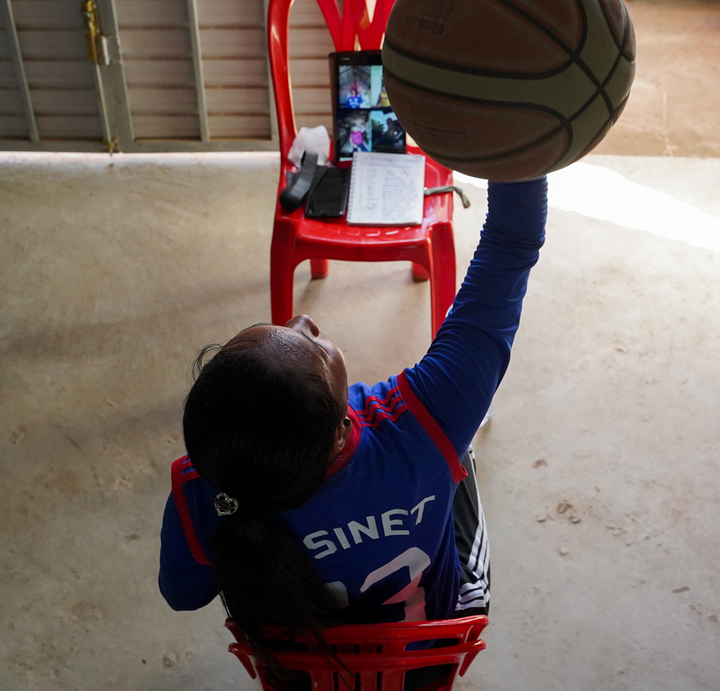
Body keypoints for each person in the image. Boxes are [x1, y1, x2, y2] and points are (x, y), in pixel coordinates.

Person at [159, 177, 548, 667]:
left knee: (444, 451)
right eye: (312, 348)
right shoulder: (423, 423)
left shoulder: (199, 491)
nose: (304, 320)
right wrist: (516, 151)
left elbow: (183, 595)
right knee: (456, 451)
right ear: (340, 428)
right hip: (426, 660)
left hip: (302, 674)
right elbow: (513, 242)